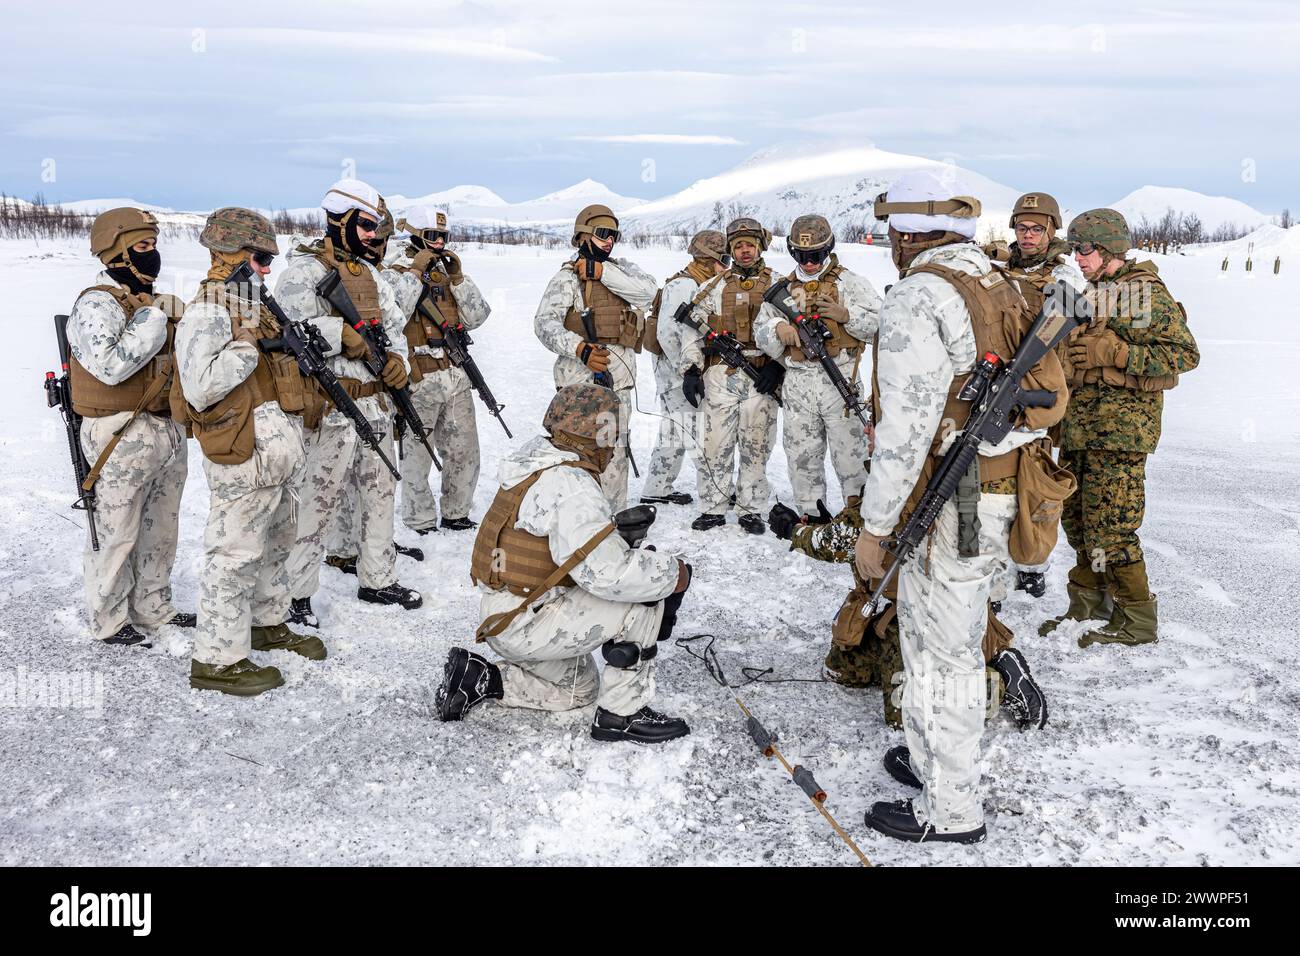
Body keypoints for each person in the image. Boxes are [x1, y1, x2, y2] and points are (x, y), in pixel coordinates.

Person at [852, 171, 1067, 843]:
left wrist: (874, 527)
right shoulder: (997, 281)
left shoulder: (920, 295)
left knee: (944, 656)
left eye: (894, 231)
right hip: (984, 494)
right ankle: (931, 766)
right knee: (928, 639)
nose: (890, 242)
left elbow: (905, 433)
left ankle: (951, 813)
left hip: (951, 503)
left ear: (912, 231)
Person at [436, 383, 692, 744]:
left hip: (507, 614)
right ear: (596, 434)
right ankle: (623, 715)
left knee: (579, 689)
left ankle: (479, 678)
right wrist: (673, 573)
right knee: (643, 594)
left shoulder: (538, 462)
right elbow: (609, 575)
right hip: (528, 620)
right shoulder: (571, 484)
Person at [176, 207, 327, 695]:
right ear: (229, 255)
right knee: (234, 553)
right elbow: (200, 387)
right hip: (241, 453)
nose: (267, 269)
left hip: (271, 452)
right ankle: (217, 660)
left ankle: (265, 624)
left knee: (277, 541)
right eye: (260, 258)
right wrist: (246, 349)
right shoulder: (207, 311)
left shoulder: (247, 308)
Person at [1039, 208, 1199, 647]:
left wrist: (1117, 355)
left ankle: (1137, 621)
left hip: (1120, 433)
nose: (1079, 257)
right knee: (1079, 520)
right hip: (1080, 429)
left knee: (1112, 525)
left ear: (1109, 248)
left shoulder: (1142, 296)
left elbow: (1183, 355)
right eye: (1074, 248)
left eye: (1086, 248)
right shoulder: (1094, 294)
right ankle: (1088, 603)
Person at [276, 178, 422, 628]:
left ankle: (377, 578)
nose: (370, 236)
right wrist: (344, 338)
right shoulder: (301, 273)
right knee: (316, 503)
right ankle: (294, 595)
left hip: (376, 407)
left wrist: (398, 362)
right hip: (331, 410)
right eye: (362, 226)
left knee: (381, 492)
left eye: (374, 228)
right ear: (337, 221)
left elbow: (395, 326)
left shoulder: (372, 275)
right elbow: (291, 335)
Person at [65, 207, 191, 648]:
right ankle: (110, 619)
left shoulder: (150, 302)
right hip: (119, 434)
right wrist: (155, 317)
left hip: (164, 428)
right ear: (116, 253)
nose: (152, 255)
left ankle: (153, 607)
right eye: (142, 247)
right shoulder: (96, 303)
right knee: (116, 532)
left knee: (162, 527)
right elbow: (112, 366)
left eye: (154, 245)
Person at [987, 192, 1087, 602]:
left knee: (1036, 482)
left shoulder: (1066, 276)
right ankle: (993, 569)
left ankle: (1034, 563)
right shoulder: (995, 269)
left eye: (1037, 229)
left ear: (1051, 231)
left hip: (1045, 389)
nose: (1027, 236)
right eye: (1022, 228)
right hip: (1000, 385)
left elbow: (1071, 316)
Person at [755, 213, 882, 519]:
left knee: (850, 455)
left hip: (839, 381)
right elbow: (760, 331)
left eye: (816, 256)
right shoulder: (782, 288)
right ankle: (811, 518)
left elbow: (882, 327)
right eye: (801, 256)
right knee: (802, 455)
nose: (809, 264)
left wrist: (848, 316)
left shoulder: (851, 283)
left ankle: (859, 517)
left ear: (829, 250)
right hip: (798, 382)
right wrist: (776, 329)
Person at [533, 204, 657, 511]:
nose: (609, 241)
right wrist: (579, 349)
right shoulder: (566, 279)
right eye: (602, 234)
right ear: (583, 236)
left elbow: (649, 294)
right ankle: (575, 525)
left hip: (619, 385)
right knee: (576, 455)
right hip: (580, 385)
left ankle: (611, 524)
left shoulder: (624, 271)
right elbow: (544, 324)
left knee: (614, 458)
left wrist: (604, 273)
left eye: (613, 235)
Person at [385, 205, 493, 532]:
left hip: (454, 373)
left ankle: (457, 511)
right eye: (431, 236)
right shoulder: (394, 271)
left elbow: (477, 316)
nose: (438, 243)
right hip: (417, 377)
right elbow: (394, 315)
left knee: (464, 448)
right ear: (416, 237)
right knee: (416, 454)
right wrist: (415, 274)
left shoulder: (449, 275)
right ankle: (420, 520)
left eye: (443, 237)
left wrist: (458, 279)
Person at [678, 217, 784, 534]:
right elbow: (691, 329)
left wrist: (779, 366)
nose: (745, 251)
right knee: (714, 444)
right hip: (720, 375)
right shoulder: (713, 286)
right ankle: (713, 506)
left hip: (762, 374)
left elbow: (795, 331)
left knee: (756, 445)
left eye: (750, 245)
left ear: (760, 246)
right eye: (738, 246)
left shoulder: (780, 285)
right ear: (731, 250)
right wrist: (691, 370)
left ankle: (750, 508)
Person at [639, 229, 728, 506]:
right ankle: (716, 490)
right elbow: (668, 334)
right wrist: (689, 370)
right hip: (675, 371)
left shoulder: (703, 284)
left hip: (680, 369)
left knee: (675, 429)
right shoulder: (685, 285)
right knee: (695, 429)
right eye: (723, 257)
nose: (726, 265)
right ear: (708, 258)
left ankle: (657, 487)